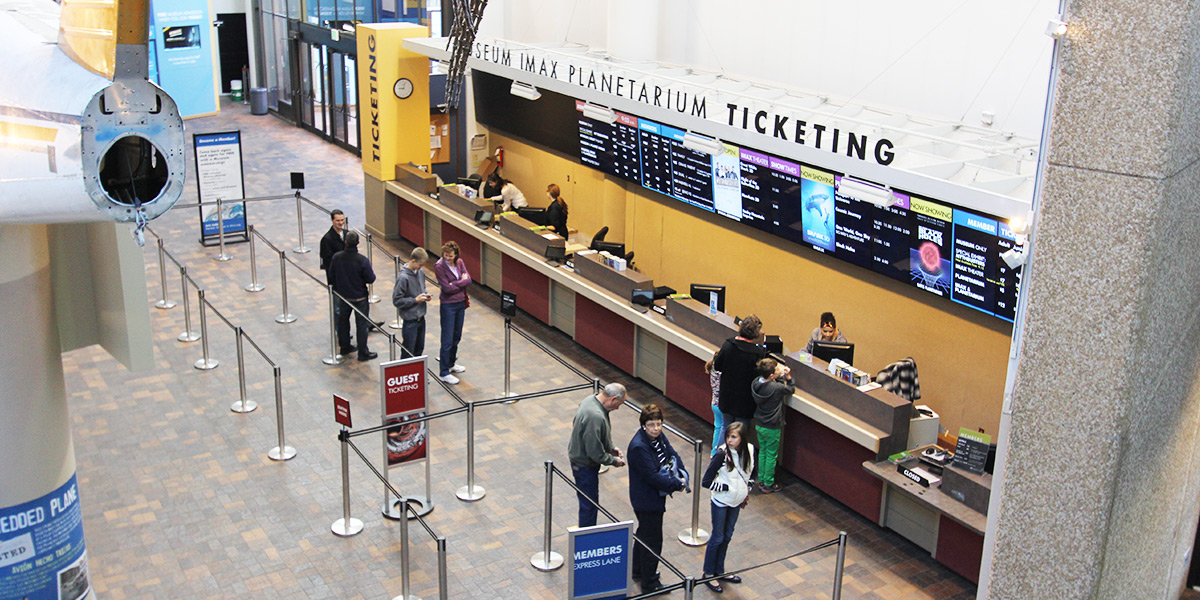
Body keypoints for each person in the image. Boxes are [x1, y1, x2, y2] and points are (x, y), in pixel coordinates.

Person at [626, 403, 687, 593]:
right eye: (651, 425)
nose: (656, 428)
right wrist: (678, 484)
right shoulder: (639, 447)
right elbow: (652, 476)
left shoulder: (658, 436)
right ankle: (650, 583)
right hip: (646, 501)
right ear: (643, 425)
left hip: (654, 497)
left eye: (659, 424)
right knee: (653, 541)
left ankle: (637, 570)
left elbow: (671, 453)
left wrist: (682, 471)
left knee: (644, 534)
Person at [701, 422, 755, 593]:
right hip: (721, 502)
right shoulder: (721, 454)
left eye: (734, 437)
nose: (730, 440)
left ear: (742, 438)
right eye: (729, 436)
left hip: (736, 502)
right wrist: (723, 488)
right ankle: (708, 573)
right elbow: (706, 481)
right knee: (717, 537)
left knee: (727, 536)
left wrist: (748, 488)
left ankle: (719, 570)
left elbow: (752, 472)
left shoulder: (751, 450)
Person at [567, 382, 627, 528]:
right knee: (589, 504)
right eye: (620, 404)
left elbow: (597, 434)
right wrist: (613, 461)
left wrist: (610, 447)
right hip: (584, 465)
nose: (618, 408)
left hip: (581, 459)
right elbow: (594, 452)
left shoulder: (590, 400)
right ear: (613, 399)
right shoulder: (595, 415)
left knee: (588, 501)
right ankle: (586, 538)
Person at [329, 231, 377, 361]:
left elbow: (331, 275)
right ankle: (363, 353)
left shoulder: (337, 257)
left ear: (345, 242)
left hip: (343, 296)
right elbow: (370, 278)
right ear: (358, 243)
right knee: (361, 324)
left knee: (343, 321)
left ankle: (345, 347)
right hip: (359, 297)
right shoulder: (362, 260)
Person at [714, 314, 767, 430]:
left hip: (727, 397)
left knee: (725, 428)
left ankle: (722, 448)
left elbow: (717, 366)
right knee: (740, 433)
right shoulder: (756, 353)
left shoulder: (728, 345)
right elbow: (757, 378)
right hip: (744, 402)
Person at [751, 358, 793, 494]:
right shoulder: (777, 388)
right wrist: (788, 377)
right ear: (771, 375)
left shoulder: (756, 383)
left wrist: (778, 377)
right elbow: (790, 389)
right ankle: (768, 483)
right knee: (771, 455)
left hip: (760, 424)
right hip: (772, 426)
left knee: (762, 451)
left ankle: (761, 478)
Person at [434, 241, 471, 384]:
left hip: (460, 303)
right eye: (445, 255)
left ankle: (451, 363)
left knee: (457, 336)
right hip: (448, 305)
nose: (447, 258)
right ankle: (443, 371)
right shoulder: (439, 266)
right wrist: (460, 282)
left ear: (456, 255)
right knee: (447, 339)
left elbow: (469, 279)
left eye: (450, 256)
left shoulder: (460, 262)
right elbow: (446, 289)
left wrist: (455, 284)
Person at [392, 247, 431, 358]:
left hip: (421, 318)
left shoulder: (420, 272)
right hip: (410, 321)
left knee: (419, 349)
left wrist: (425, 295)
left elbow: (421, 288)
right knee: (408, 351)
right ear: (413, 261)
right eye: (420, 264)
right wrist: (415, 300)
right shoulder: (403, 278)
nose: (421, 267)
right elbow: (397, 300)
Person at [705, 351, 725, 457]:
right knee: (723, 429)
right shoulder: (722, 373)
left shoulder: (712, 367)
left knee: (718, 427)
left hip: (714, 403)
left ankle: (714, 452)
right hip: (722, 405)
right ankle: (719, 453)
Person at [319, 209, 346, 284]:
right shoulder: (326, 239)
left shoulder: (347, 234)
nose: (340, 223)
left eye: (342, 220)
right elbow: (327, 260)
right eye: (338, 220)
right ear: (332, 220)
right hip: (335, 274)